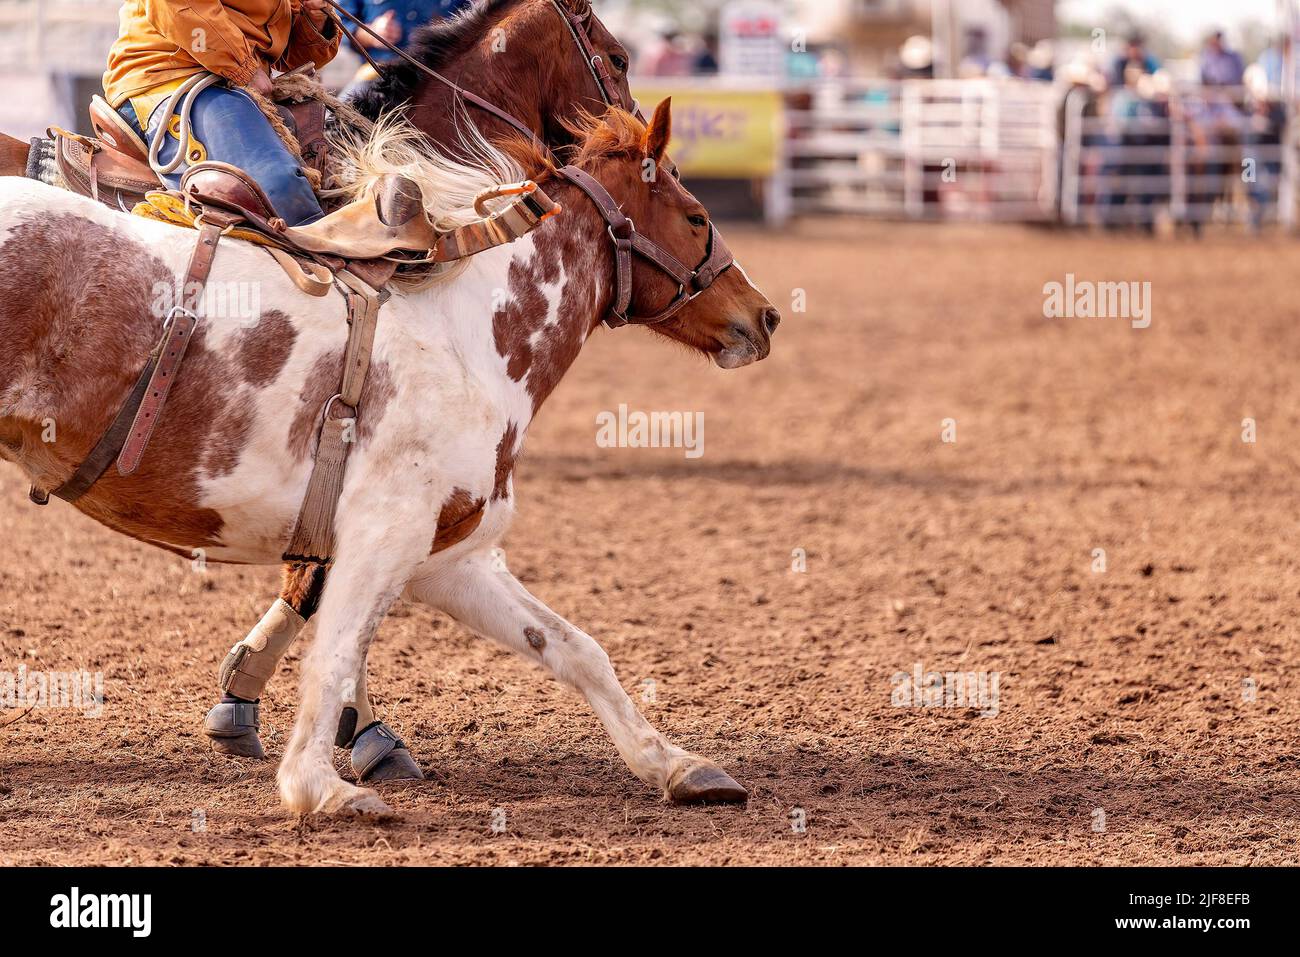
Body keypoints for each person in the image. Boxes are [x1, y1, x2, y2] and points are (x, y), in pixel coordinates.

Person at [103, 0, 341, 226]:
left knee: (344, 189)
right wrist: (244, 68)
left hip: (237, 89)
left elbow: (292, 55)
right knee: (280, 189)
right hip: (171, 78)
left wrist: (315, 19)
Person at [338, 1, 472, 97]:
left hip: (439, 80)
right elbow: (337, 24)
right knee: (332, 125)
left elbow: (479, 24)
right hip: (380, 76)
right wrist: (371, 34)